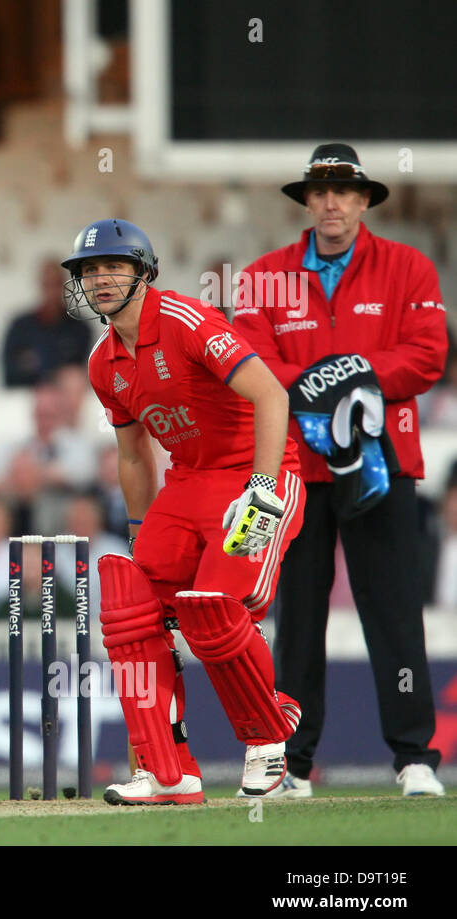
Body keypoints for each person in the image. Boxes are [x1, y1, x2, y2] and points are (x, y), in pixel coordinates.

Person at [233, 144, 447, 797]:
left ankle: (413, 759)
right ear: (306, 200)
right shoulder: (264, 276)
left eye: (342, 191)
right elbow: (251, 363)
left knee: (394, 612)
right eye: (319, 190)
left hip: (381, 463)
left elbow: (429, 356)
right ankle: (294, 765)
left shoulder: (408, 267)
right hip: (296, 464)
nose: (330, 201)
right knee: (296, 615)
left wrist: (348, 378)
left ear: (363, 200)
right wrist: (341, 380)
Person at [74, 218, 305, 805]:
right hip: (188, 484)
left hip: (260, 472)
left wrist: (263, 487)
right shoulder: (104, 363)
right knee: (131, 606)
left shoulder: (183, 319)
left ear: (144, 272)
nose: (100, 279)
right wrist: (139, 530)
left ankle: (267, 736)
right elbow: (133, 456)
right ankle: (166, 771)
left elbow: (270, 393)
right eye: (90, 270)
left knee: (213, 610)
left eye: (114, 267)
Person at [2, 257, 94, 387]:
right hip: (29, 399)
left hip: (70, 399)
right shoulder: (20, 327)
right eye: (47, 285)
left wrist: (34, 366)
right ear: (40, 285)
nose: (52, 292)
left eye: (56, 284)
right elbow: (9, 375)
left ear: (65, 287)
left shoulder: (80, 328)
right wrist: (56, 376)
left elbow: (83, 373)